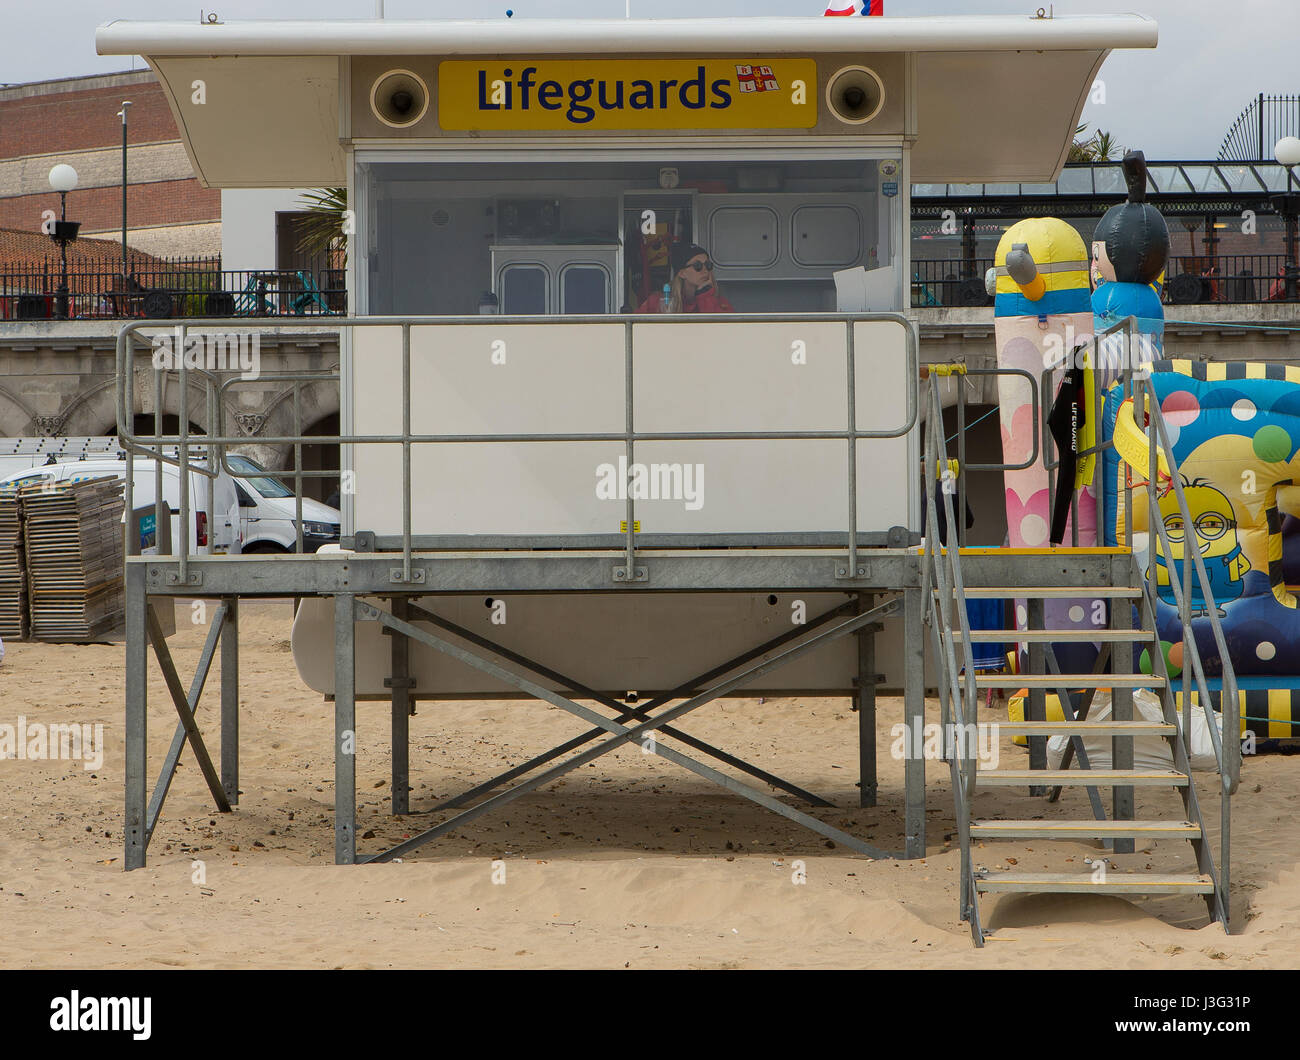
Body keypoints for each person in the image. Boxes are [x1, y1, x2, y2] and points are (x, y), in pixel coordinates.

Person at [637, 243, 734, 314]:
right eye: (698, 266)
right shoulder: (658, 301)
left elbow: (721, 333)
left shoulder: (720, 303)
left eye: (708, 265)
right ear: (682, 273)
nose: (705, 270)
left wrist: (705, 297)